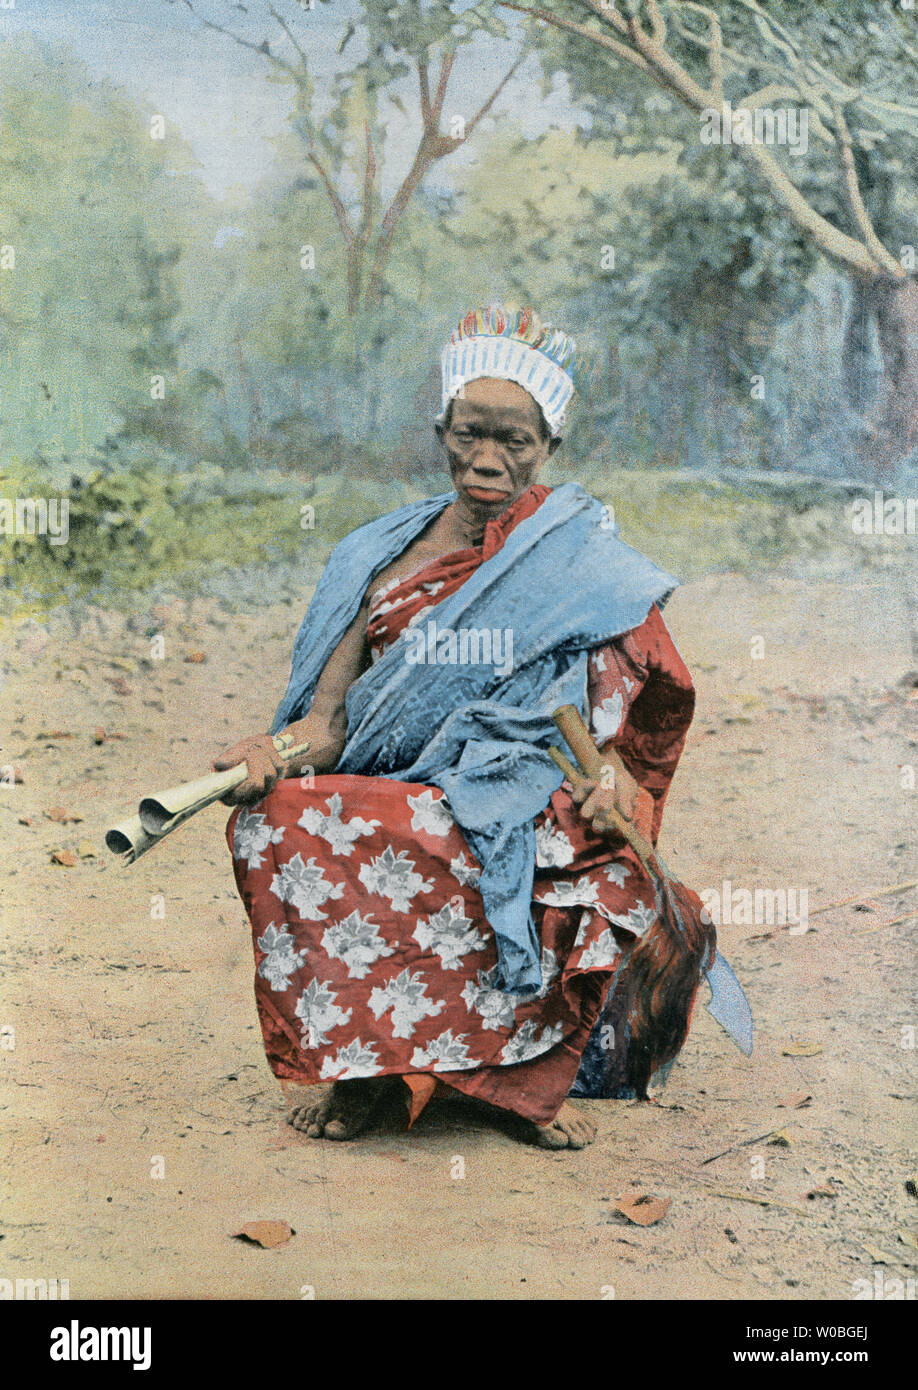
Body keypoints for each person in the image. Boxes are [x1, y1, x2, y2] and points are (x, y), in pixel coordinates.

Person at [215, 305, 716, 1150]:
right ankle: (367, 1074)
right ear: (441, 429)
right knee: (277, 821)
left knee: (577, 848)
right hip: (398, 789)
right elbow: (329, 723)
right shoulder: (376, 557)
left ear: (550, 445)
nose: (488, 459)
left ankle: (504, 1087)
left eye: (514, 441)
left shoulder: (581, 557)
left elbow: (644, 703)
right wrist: (272, 752)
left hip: (524, 793)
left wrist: (616, 781)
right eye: (469, 434)